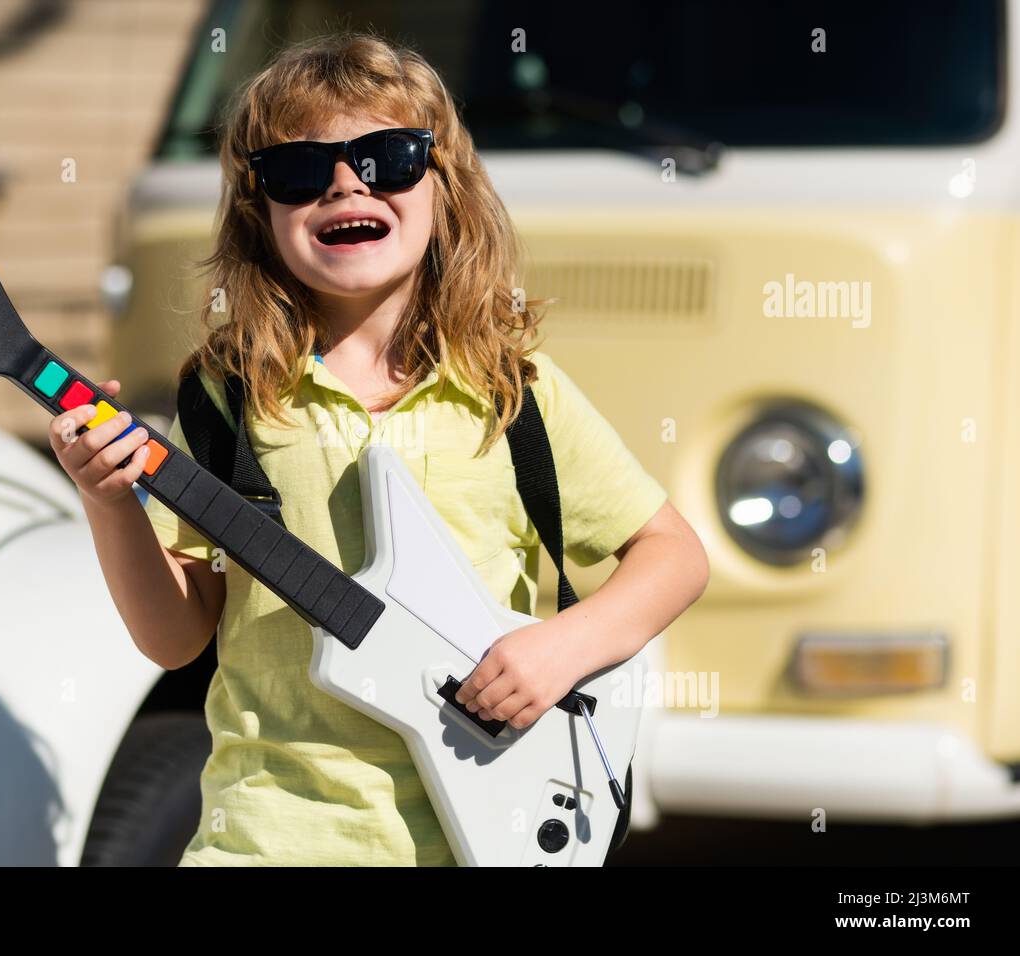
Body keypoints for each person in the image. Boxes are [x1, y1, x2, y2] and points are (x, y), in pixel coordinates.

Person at [47, 32, 709, 866]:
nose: (344, 183)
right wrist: (110, 504)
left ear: (446, 189)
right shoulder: (227, 397)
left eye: (388, 156)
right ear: (262, 211)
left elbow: (674, 554)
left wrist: (563, 646)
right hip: (266, 834)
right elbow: (176, 639)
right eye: (298, 170)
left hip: (479, 833)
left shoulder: (513, 389)